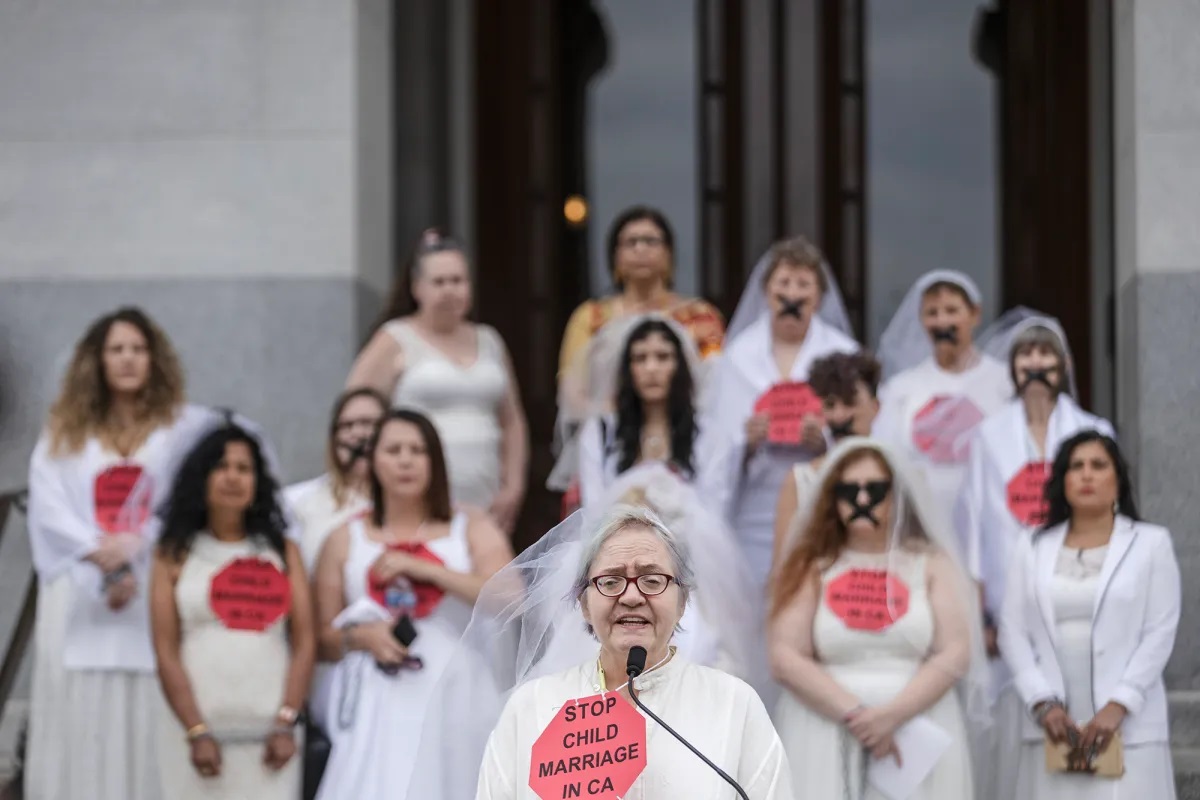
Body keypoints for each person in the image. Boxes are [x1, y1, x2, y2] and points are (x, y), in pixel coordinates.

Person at [469, 506, 795, 798]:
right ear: (583, 604)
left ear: (682, 602)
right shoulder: (532, 705)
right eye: (611, 582)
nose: (631, 596)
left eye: (652, 580)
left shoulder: (734, 703)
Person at [24, 307, 200, 800]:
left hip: (151, 583)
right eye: (116, 349)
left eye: (138, 349)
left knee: (147, 703)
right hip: (81, 585)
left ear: (155, 359)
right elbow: (48, 502)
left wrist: (140, 541)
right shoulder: (65, 430)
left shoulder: (179, 430)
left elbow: (188, 498)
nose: (128, 359)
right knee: (81, 707)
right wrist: (95, 551)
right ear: (97, 360)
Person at [311, 409, 513, 799]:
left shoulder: (468, 525)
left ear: (434, 462)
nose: (405, 460)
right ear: (373, 461)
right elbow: (321, 638)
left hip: (456, 690)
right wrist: (361, 636)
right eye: (393, 450)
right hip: (375, 698)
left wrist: (427, 570)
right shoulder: (344, 536)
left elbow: (509, 594)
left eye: (417, 450)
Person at [769, 438, 987, 798]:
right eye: (849, 490)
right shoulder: (812, 568)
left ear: (896, 494)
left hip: (917, 728)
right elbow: (785, 657)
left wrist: (891, 715)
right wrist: (857, 715)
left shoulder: (931, 563)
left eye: (876, 489)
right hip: (825, 731)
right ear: (831, 498)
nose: (863, 500)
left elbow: (956, 650)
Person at [956, 311, 1113, 800]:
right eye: (1027, 354)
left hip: (1078, 599)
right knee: (1014, 720)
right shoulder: (988, 435)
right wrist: (979, 610)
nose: (1036, 363)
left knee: (1079, 708)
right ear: (1014, 366)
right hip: (1010, 603)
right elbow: (974, 523)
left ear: (1063, 364)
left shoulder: (1092, 429)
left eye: (1045, 353)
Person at [999, 431, 1179, 798]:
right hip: (1051, 727)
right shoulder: (1031, 546)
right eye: (1075, 466)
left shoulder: (1150, 543)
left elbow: (1160, 631)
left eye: (1098, 465)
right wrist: (1042, 702)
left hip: (1130, 725)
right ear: (1062, 480)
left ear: (1118, 479)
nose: (1086, 475)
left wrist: (1120, 704)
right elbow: (1011, 631)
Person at [150, 424, 315, 799]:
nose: (233, 477)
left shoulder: (283, 551)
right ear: (201, 477)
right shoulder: (172, 553)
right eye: (221, 467)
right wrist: (196, 729)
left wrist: (288, 720)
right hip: (193, 735)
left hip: (273, 739)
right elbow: (165, 649)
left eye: (244, 469)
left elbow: (305, 641)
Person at [346, 229, 528, 532]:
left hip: (487, 500)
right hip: (414, 498)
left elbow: (512, 420)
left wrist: (514, 485)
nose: (449, 290)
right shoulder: (393, 338)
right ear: (417, 287)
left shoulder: (490, 340)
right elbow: (354, 415)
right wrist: (366, 479)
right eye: (439, 282)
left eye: (457, 281)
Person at [702, 236, 858, 586]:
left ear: (818, 296)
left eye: (804, 283)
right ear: (767, 292)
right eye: (784, 282)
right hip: (754, 504)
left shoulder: (843, 353)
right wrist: (747, 442)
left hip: (820, 500)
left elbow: (861, 433)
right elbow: (716, 441)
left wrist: (826, 441)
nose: (793, 292)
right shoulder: (737, 357)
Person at [552, 206, 726, 512]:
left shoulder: (702, 317)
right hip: (612, 446)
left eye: (651, 241)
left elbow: (716, 388)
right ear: (614, 256)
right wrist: (623, 416)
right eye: (630, 242)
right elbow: (572, 391)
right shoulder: (590, 318)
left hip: (686, 445)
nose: (641, 249)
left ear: (669, 253)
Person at [872, 270, 1011, 517]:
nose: (942, 322)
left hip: (991, 516)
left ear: (975, 314)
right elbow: (887, 457)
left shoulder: (1005, 382)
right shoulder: (901, 389)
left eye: (951, 310)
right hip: (924, 520)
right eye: (932, 313)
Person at [771, 351, 883, 572]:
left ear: (875, 406)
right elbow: (782, 568)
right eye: (831, 405)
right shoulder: (800, 479)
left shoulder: (899, 474)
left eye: (850, 402)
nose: (840, 416)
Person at [286, 388, 388, 573]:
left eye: (368, 423)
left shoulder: (410, 504)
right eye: (346, 425)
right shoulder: (297, 502)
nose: (358, 434)